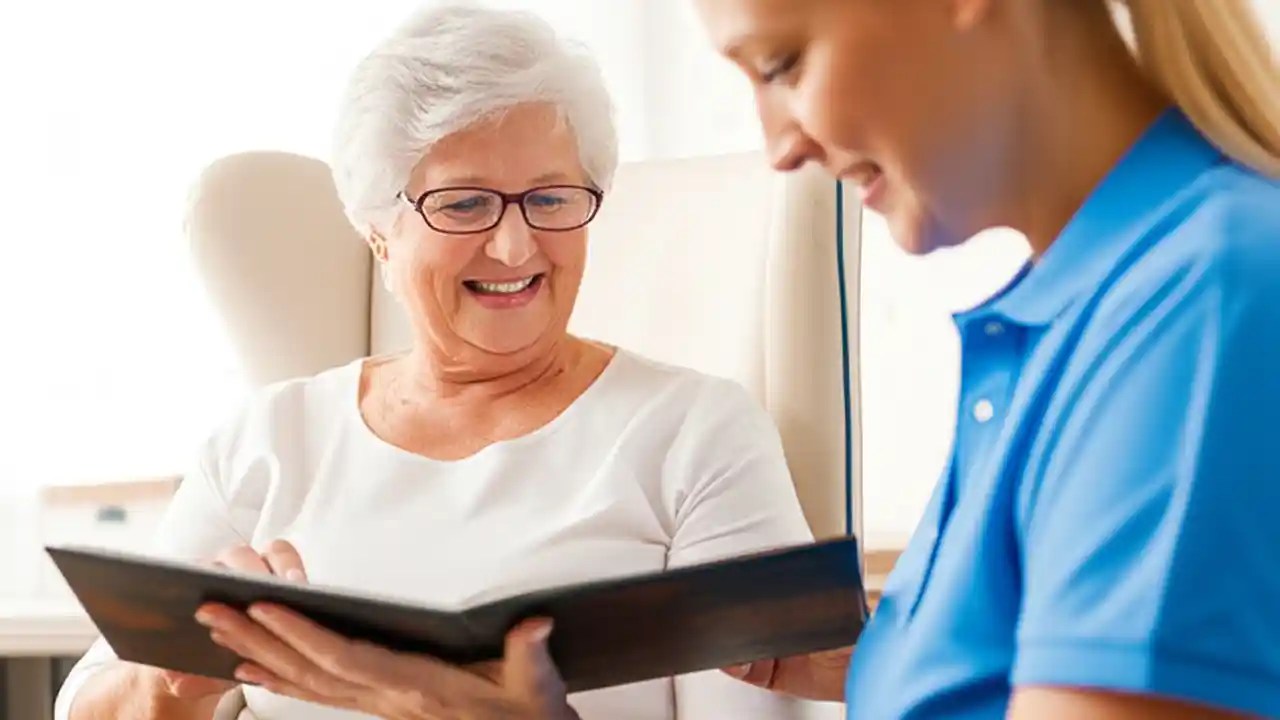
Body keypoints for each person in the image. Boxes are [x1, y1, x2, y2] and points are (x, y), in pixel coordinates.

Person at [147, 0, 1280, 718]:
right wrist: (901, 652)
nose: (775, 145)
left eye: (781, 61)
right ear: (377, 226)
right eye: (462, 202)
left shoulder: (1195, 306)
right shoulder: (1078, 321)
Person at [53, 5, 824, 720]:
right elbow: (87, 705)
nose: (517, 247)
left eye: (551, 199)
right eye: (463, 204)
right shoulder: (269, 439)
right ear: (380, 233)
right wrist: (173, 681)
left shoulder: (698, 436)